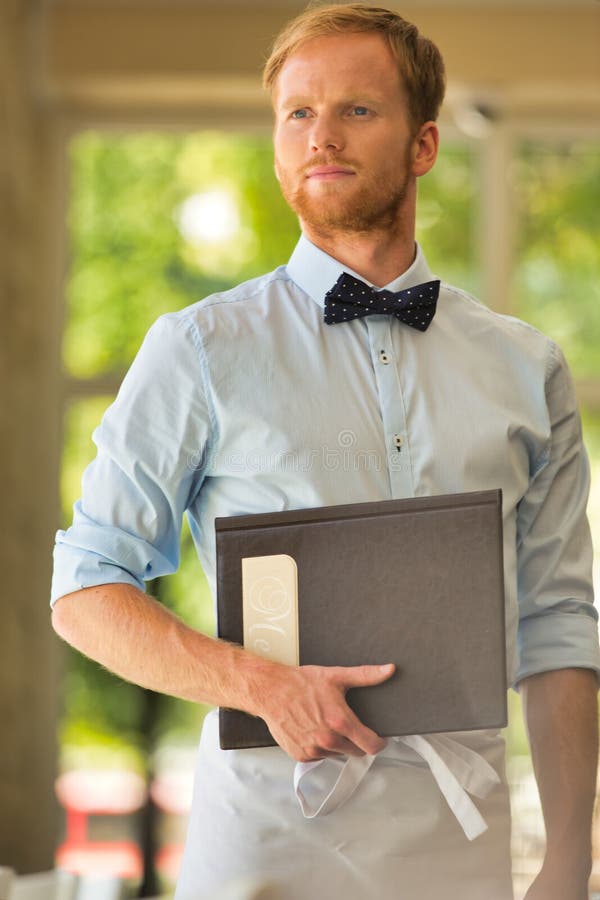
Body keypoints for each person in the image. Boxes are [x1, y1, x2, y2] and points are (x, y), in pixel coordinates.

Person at [51, 4, 599, 898]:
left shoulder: (524, 366)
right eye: (297, 113)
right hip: (266, 852)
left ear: (423, 145)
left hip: (463, 855)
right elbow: (83, 588)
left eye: (356, 110)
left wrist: (570, 860)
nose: (320, 136)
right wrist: (260, 685)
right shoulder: (198, 349)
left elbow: (558, 625)